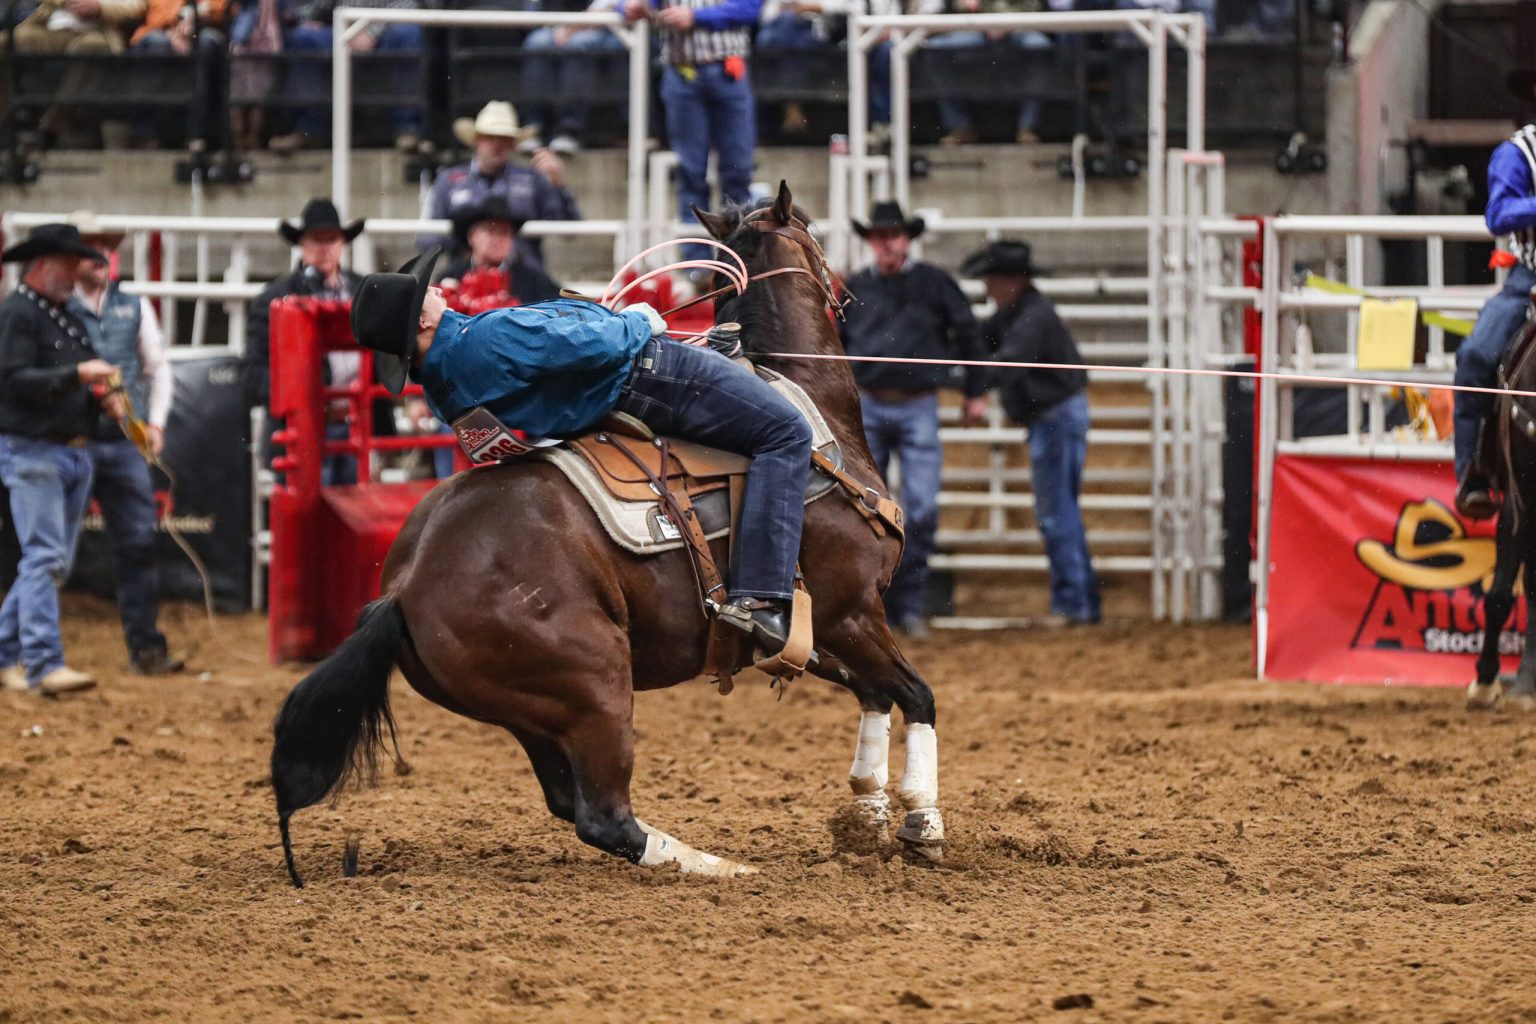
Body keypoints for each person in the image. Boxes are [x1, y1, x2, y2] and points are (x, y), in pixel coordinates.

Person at [349, 249, 814, 655]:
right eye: (421, 293)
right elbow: (596, 345)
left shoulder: (441, 384)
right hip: (649, 375)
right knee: (787, 432)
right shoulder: (484, 338)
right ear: (424, 322)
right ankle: (761, 597)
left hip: (604, 406)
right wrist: (640, 320)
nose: (432, 287)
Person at [839, 200, 987, 637]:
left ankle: (909, 605)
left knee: (919, 509)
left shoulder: (934, 283)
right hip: (869, 403)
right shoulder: (854, 288)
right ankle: (878, 607)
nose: (889, 243)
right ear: (872, 241)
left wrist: (974, 393)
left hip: (917, 400)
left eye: (895, 235)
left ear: (907, 240)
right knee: (867, 510)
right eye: (881, 236)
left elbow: (968, 333)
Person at [0, 223, 129, 696]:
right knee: (46, 558)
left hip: (67, 450)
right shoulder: (18, 314)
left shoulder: (61, 316)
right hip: (35, 449)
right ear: (42, 264)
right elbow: (11, 381)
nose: (76, 272)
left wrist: (101, 399)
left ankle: (5, 654)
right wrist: (78, 374)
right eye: (68, 263)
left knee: (47, 560)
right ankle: (42, 663)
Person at [66, 212, 186, 676]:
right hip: (70, 438)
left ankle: (145, 646)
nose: (99, 254)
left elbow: (157, 369)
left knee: (136, 542)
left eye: (104, 246)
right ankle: (24, 649)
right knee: (46, 550)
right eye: (89, 245)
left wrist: (154, 423)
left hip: (119, 441)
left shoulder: (132, 306)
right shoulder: (56, 307)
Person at [963, 238, 1100, 625]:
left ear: (1009, 281)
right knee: (1061, 510)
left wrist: (967, 382)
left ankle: (1074, 603)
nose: (986, 287)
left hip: (1056, 417)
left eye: (990, 279)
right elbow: (982, 343)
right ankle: (1079, 600)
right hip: (1058, 415)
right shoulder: (1022, 312)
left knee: (1056, 512)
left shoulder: (1030, 315)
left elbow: (1005, 364)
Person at [416, 196, 563, 478]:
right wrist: (417, 397)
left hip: (520, 390)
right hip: (458, 391)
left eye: (505, 232)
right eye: (491, 230)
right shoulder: (447, 280)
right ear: (472, 236)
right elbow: (422, 337)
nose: (499, 238)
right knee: (447, 429)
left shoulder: (533, 279)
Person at [239, 198, 379, 485]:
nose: (325, 247)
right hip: (305, 428)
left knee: (356, 512)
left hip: (357, 424)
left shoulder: (366, 290)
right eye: (317, 239)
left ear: (343, 243)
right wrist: (300, 393)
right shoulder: (275, 298)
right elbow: (251, 374)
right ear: (302, 244)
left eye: (332, 239)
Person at [1453, 67, 1536, 521]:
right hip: (1530, 277)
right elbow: (1499, 213)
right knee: (1477, 357)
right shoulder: (1519, 151)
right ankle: (1474, 473)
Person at [623, 0, 760, 266]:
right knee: (690, 171)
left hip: (728, 70)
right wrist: (630, 8)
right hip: (682, 72)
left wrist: (696, 17)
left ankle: (742, 256)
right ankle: (696, 261)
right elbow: (630, 5)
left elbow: (751, 9)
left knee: (738, 168)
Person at [421, 101, 581, 270]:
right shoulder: (448, 180)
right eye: (490, 137)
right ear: (477, 140)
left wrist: (558, 183)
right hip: (466, 277)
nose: (497, 144)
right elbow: (427, 240)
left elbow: (569, 230)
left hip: (524, 278)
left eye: (504, 138)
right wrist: (469, 237)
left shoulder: (533, 180)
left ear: (513, 143)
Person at [267, 0, 425, 152]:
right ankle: (308, 130)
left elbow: (410, 4)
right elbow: (320, 6)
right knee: (305, 37)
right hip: (342, 33)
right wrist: (310, 19)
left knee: (409, 32)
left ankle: (407, 129)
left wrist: (371, 32)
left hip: (386, 32)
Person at [518, 0, 628, 154]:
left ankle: (569, 130)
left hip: (601, 25)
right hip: (554, 24)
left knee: (579, 44)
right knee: (537, 43)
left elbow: (609, 5)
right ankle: (533, 128)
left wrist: (576, 25)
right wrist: (559, 26)